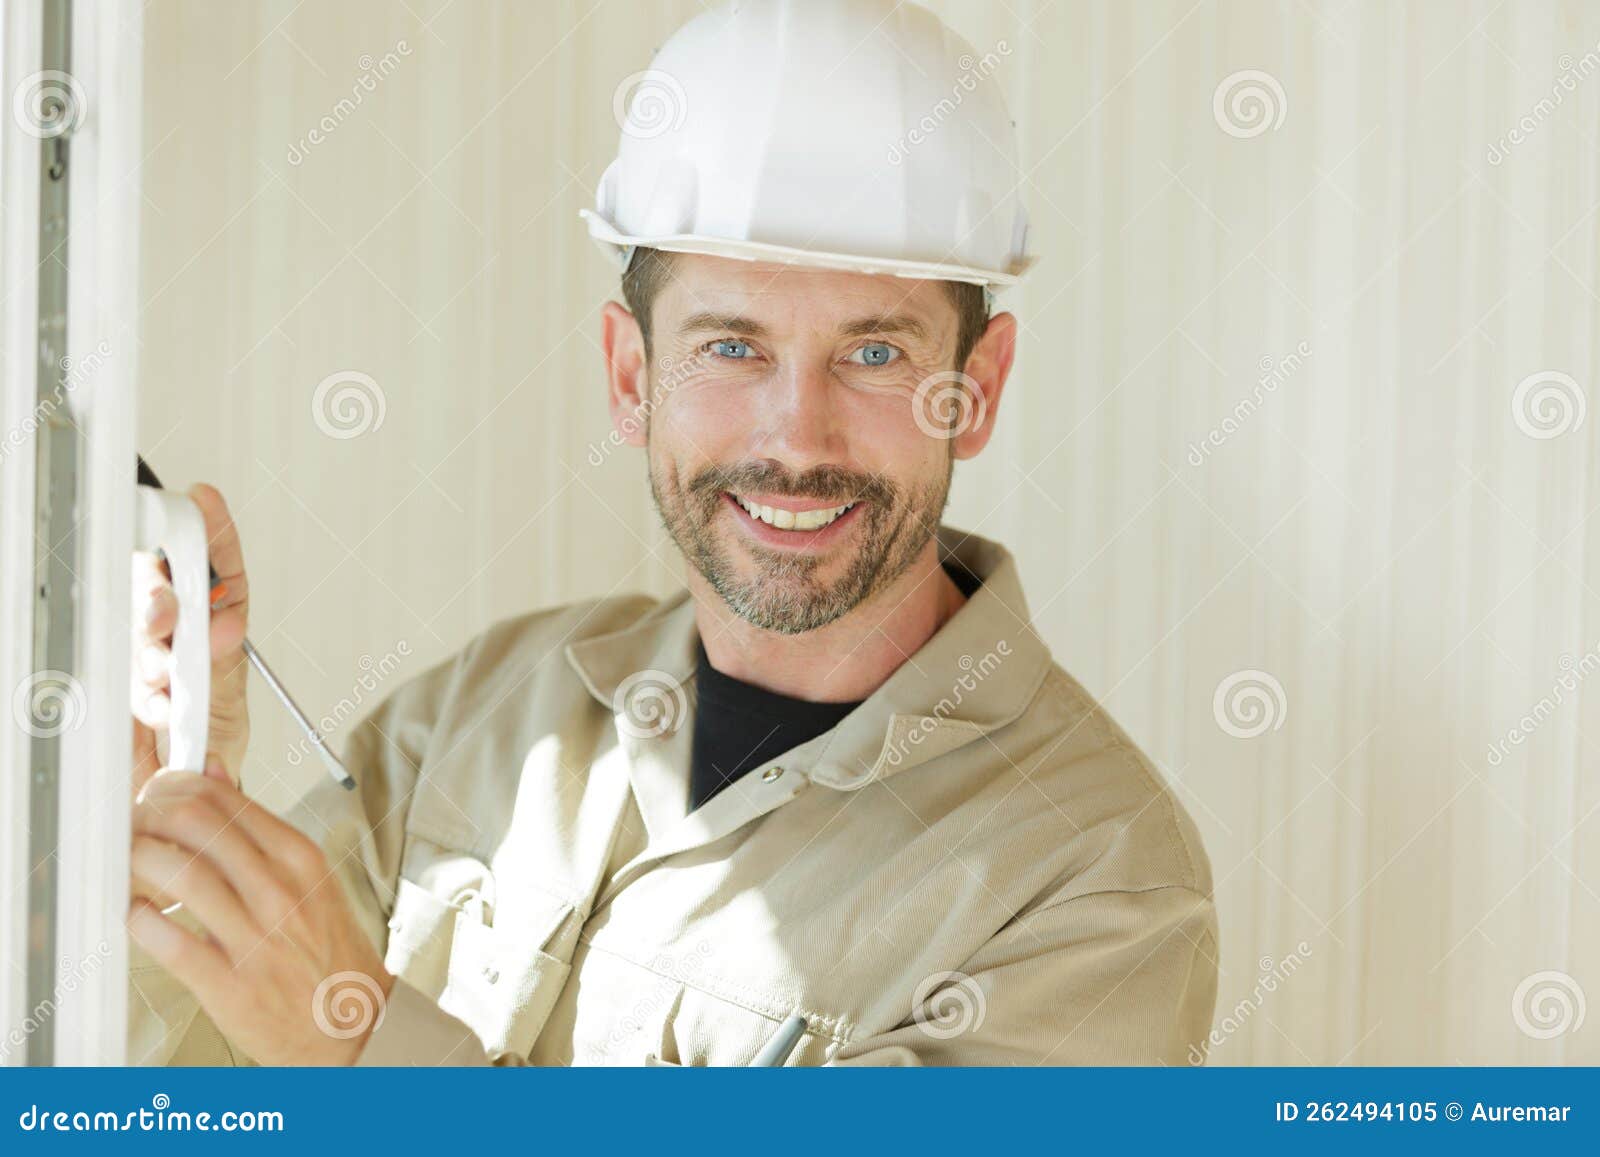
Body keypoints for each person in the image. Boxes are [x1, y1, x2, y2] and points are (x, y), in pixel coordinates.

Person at [127, 0, 1217, 1066]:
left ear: (973, 389)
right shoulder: (486, 708)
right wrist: (158, 832)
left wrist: (364, 1045)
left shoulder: (1094, 886)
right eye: (731, 348)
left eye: (875, 353)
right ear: (630, 376)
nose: (796, 437)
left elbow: (318, 1049)